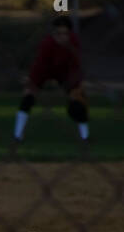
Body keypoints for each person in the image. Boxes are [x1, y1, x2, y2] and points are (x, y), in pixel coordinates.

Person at [14, 15, 90, 143]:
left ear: (69, 34)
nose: (61, 37)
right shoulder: (47, 44)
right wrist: (32, 82)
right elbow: (39, 66)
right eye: (57, 33)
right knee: (28, 97)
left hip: (65, 72)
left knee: (78, 102)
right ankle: (17, 135)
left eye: (64, 33)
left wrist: (76, 88)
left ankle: (85, 137)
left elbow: (75, 68)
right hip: (46, 70)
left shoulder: (74, 43)